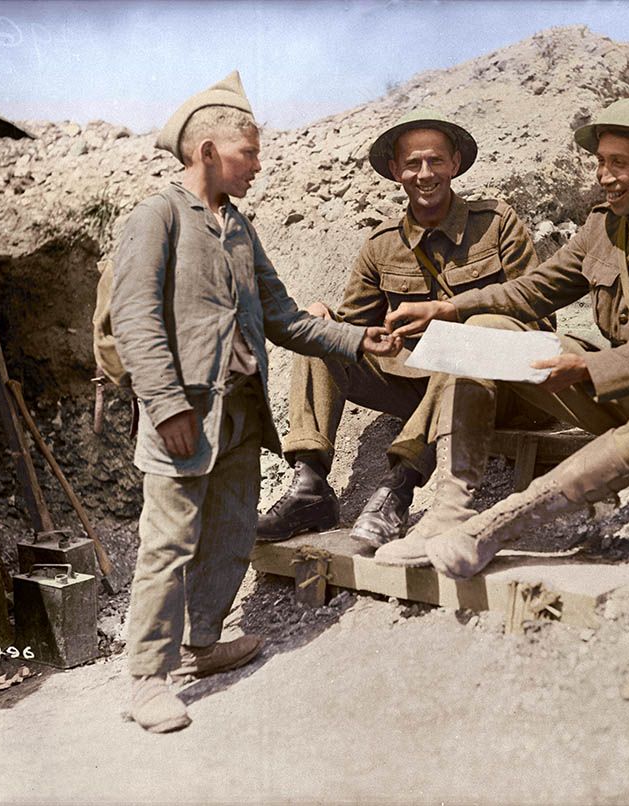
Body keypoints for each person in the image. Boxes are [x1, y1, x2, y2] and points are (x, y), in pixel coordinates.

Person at [111, 71, 399, 733]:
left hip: (238, 412)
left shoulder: (237, 227)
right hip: (180, 415)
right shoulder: (157, 217)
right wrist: (165, 405)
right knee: (168, 544)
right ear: (208, 151)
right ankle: (147, 680)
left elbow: (285, 317)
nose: (260, 165)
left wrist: (358, 338)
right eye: (250, 152)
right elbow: (134, 320)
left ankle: (202, 644)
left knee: (232, 530)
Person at [378, 97, 629, 576]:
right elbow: (536, 290)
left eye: (619, 163)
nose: (604, 176)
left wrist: (593, 367)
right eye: (600, 162)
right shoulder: (602, 225)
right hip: (624, 392)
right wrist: (451, 307)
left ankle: (493, 528)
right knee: (479, 333)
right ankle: (450, 510)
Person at [256, 110, 550, 551]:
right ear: (396, 171)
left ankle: (399, 486)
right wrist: (327, 320)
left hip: (497, 386)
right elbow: (356, 328)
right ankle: (310, 485)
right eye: (412, 164)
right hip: (415, 385)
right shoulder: (382, 244)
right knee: (320, 337)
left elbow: (539, 318)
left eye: (435, 162)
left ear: (455, 164)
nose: (424, 174)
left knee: (461, 347)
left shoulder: (497, 223)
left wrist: (455, 317)